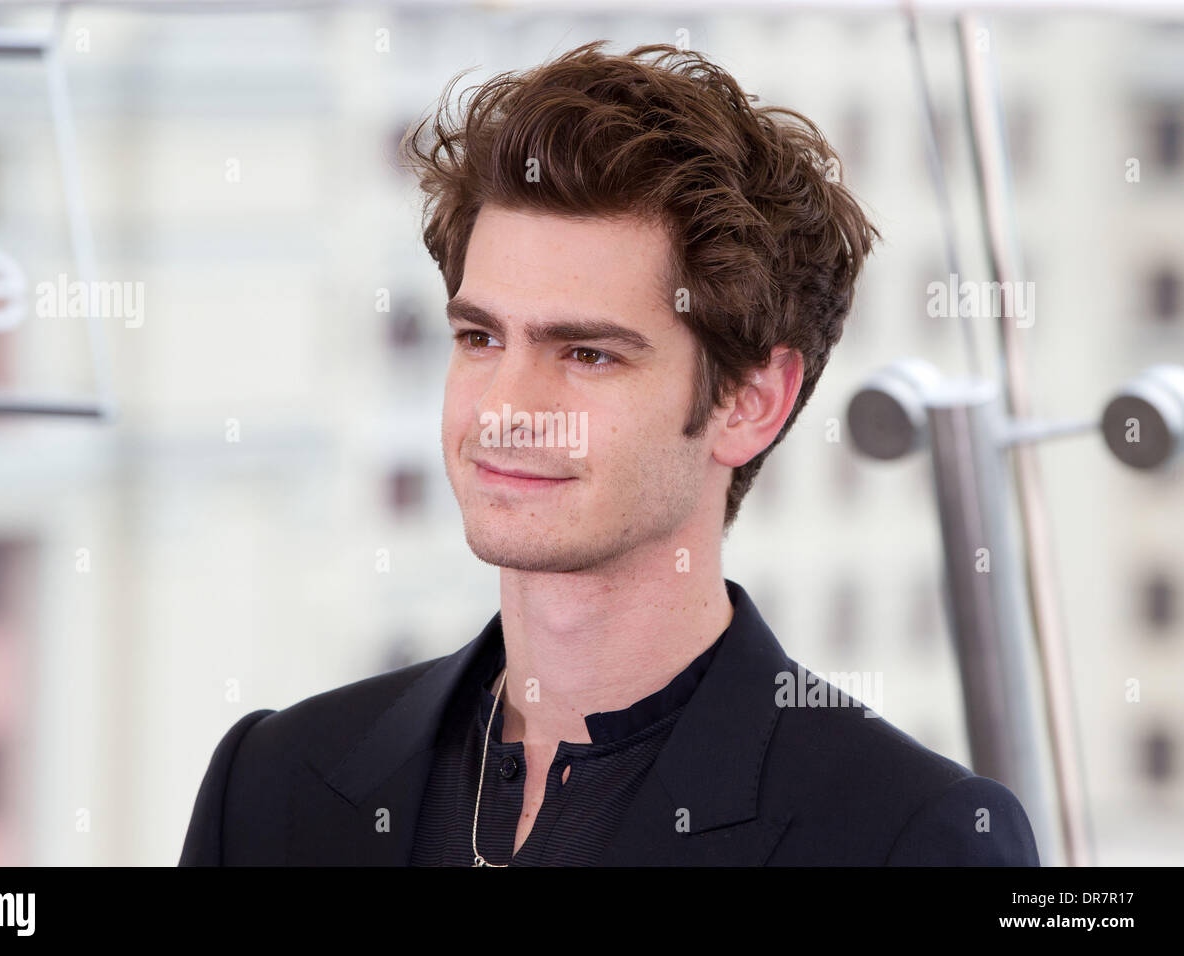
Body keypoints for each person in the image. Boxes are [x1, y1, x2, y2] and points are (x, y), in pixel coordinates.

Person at [178, 40, 1040, 866]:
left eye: (588, 353)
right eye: (480, 338)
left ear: (752, 402)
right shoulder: (272, 782)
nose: (505, 408)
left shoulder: (910, 839)